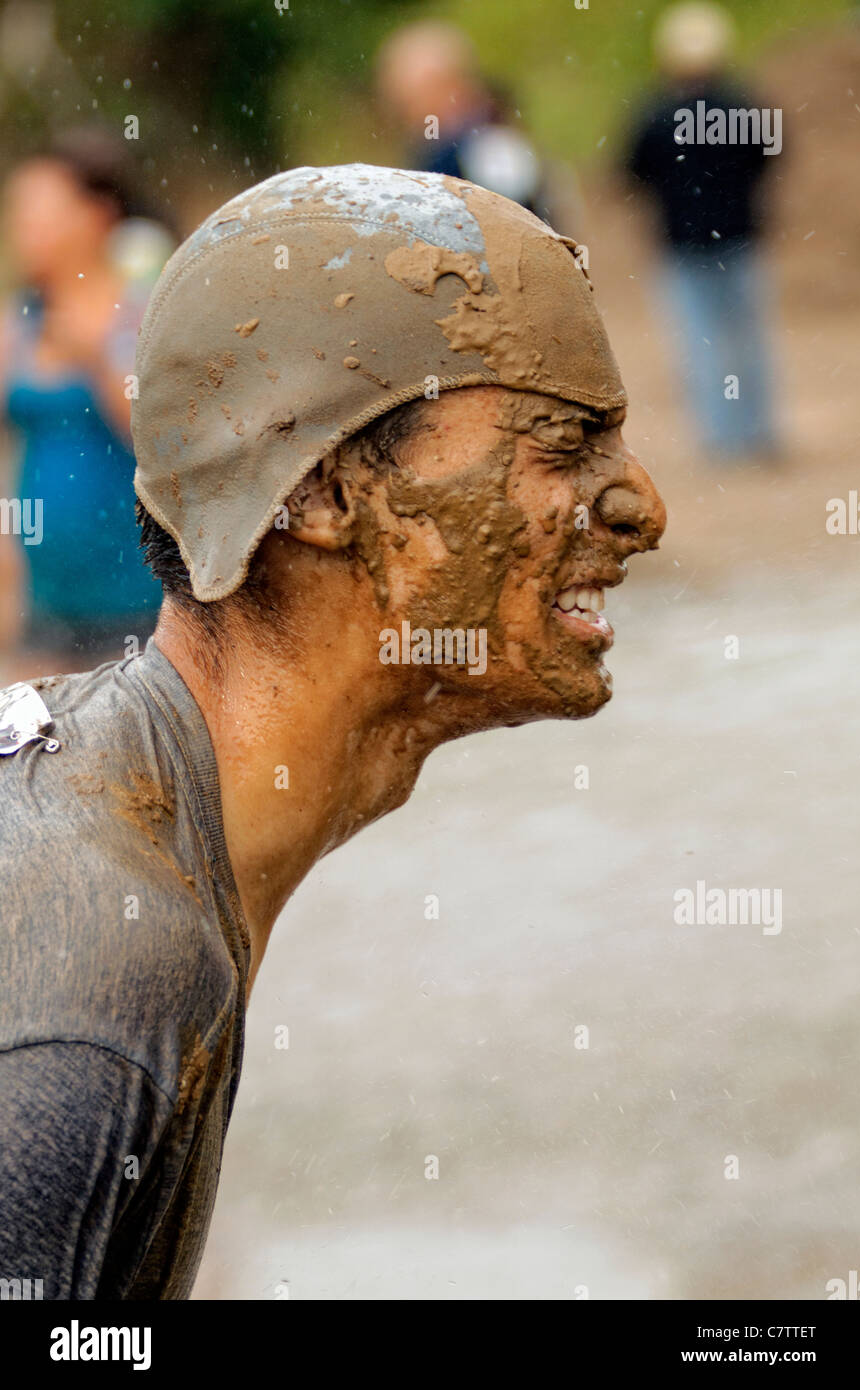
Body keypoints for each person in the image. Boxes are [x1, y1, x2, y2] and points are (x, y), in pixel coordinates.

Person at [0, 163, 665, 1299]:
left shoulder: (127, 834)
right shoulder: (97, 994)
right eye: (562, 445)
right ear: (316, 492)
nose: (641, 508)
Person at [0, 127, 164, 683]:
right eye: (16, 209)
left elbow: (163, 443)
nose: (22, 226)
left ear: (96, 215)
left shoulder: (144, 313)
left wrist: (96, 360)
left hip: (142, 599)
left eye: (39, 209)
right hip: (42, 605)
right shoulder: (15, 323)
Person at [624, 2, 780, 461]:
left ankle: (720, 436)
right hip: (740, 239)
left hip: (682, 245)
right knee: (748, 339)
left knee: (701, 343)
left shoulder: (655, 115)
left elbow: (633, 172)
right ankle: (757, 431)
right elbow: (768, 159)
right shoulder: (742, 108)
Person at [376, 21, 547, 215]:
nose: (408, 113)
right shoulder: (436, 147)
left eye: (412, 98)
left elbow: (516, 223)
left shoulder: (491, 145)